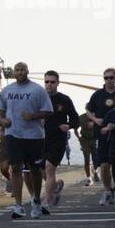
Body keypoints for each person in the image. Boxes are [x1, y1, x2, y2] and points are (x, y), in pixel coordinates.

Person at [0, 62, 53, 219]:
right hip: (13, 135)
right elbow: (0, 111)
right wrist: (2, 120)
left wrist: (33, 116)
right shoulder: (7, 91)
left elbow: (48, 111)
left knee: (35, 169)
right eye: (17, 70)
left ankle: (35, 200)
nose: (20, 72)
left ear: (27, 71)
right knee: (15, 168)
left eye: (22, 69)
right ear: (14, 72)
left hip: (34, 136)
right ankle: (18, 205)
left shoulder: (38, 90)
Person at [41, 71, 80, 207]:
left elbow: (76, 119)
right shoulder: (39, 98)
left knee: (49, 167)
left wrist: (68, 125)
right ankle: (55, 186)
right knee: (42, 171)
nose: (49, 85)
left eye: (52, 82)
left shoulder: (64, 99)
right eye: (47, 82)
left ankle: (47, 201)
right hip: (40, 139)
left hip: (58, 139)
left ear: (58, 83)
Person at [85, 69, 115, 205]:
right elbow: (88, 111)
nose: (109, 80)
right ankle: (107, 190)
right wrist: (95, 120)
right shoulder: (97, 95)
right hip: (102, 135)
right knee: (104, 165)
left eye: (111, 77)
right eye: (106, 78)